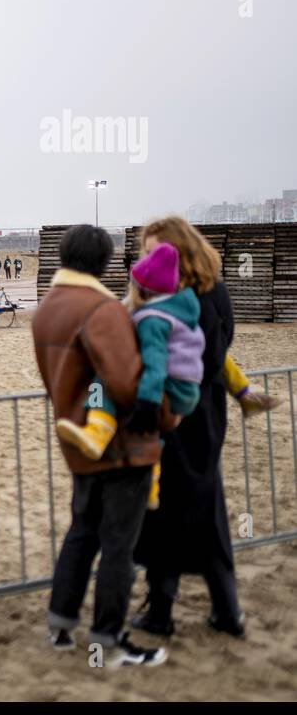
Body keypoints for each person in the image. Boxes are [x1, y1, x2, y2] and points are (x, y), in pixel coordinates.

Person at [32, 223, 167, 667]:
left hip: (77, 440)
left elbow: (72, 380)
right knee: (118, 547)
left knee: (81, 533)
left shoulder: (46, 310)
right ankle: (107, 639)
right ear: (106, 263)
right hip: (122, 444)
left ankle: (59, 626)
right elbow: (125, 384)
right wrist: (170, 412)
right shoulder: (101, 309)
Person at [131, 216, 245, 639]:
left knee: (166, 515)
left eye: (153, 250)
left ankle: (160, 612)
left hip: (178, 415)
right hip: (208, 414)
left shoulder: (184, 298)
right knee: (206, 512)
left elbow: (205, 356)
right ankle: (227, 609)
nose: (146, 258)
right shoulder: (214, 291)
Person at [56, 243, 204, 511]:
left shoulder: (153, 319)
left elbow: (156, 364)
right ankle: (152, 488)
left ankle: (97, 430)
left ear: (144, 287)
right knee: (154, 432)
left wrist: (147, 401)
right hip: (189, 387)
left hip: (171, 386)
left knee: (99, 380)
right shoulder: (182, 309)